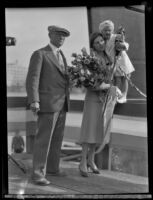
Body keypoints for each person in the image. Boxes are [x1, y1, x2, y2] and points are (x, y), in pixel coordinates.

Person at [26, 25, 70, 185]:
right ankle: (37, 174)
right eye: (59, 34)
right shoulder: (40, 54)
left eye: (64, 36)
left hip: (62, 103)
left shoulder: (62, 55)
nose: (62, 38)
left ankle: (53, 169)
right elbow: (32, 78)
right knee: (43, 140)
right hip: (47, 103)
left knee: (57, 139)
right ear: (50, 34)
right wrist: (34, 100)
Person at [78, 32, 121, 177]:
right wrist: (105, 86)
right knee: (88, 130)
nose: (101, 43)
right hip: (93, 98)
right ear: (93, 46)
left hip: (104, 99)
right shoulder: (90, 59)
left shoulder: (108, 58)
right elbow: (90, 84)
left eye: (102, 41)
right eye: (97, 42)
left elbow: (110, 77)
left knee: (97, 131)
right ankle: (82, 162)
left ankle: (91, 160)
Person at [99, 20, 135, 103]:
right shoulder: (102, 40)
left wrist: (123, 46)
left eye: (109, 30)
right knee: (117, 79)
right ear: (101, 31)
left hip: (123, 61)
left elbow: (125, 44)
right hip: (113, 63)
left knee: (125, 78)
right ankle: (117, 95)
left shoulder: (116, 37)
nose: (108, 32)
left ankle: (124, 95)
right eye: (105, 30)